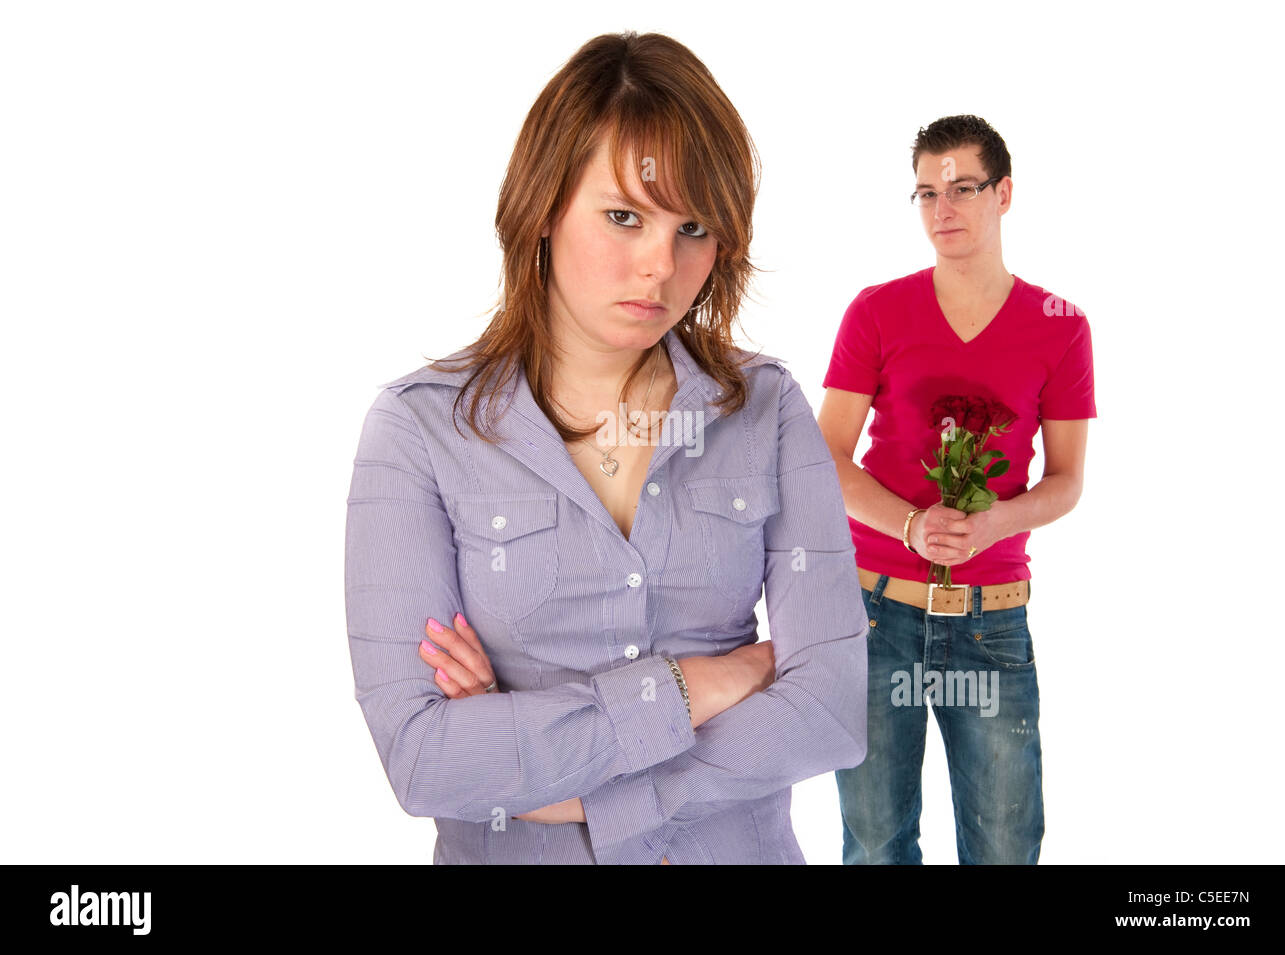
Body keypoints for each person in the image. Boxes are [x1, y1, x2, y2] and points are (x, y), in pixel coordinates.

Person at [343, 31, 869, 865]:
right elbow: (426, 758)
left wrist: (533, 761)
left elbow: (832, 712)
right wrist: (704, 683)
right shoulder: (418, 431)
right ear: (544, 206)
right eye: (624, 216)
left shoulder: (767, 409)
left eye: (694, 227)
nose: (660, 265)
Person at [818, 115, 1096, 864]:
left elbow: (1067, 480)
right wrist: (911, 525)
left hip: (993, 620)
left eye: (963, 187)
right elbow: (824, 459)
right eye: (926, 192)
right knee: (875, 842)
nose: (942, 208)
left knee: (1006, 843)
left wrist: (999, 519)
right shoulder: (877, 312)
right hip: (878, 615)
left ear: (1004, 194)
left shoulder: (1061, 326)